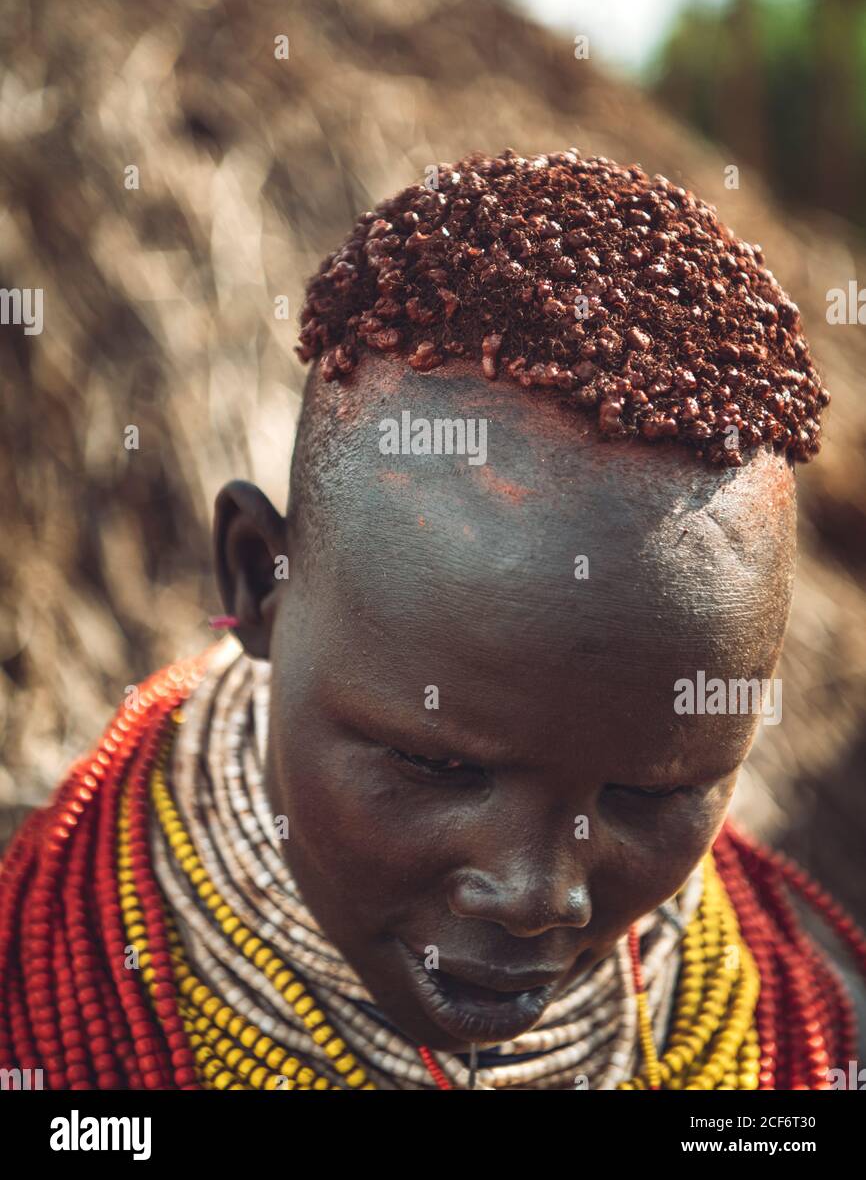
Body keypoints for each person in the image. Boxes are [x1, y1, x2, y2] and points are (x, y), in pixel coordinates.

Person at [1, 148, 863, 1091]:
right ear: (257, 580)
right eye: (438, 765)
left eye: (649, 796)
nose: (537, 898)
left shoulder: (820, 1022)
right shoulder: (27, 974)